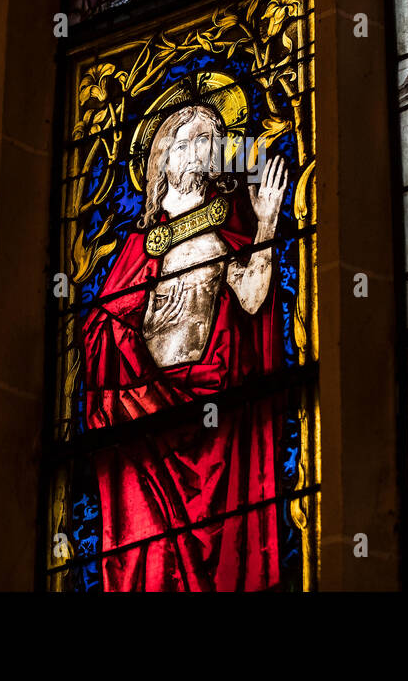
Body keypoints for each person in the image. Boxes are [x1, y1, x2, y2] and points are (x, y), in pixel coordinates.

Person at [80, 103, 289, 590]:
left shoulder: (228, 225)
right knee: (150, 556)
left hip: (214, 407)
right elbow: (101, 333)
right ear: (163, 158)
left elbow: (253, 299)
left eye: (210, 139)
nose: (201, 150)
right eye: (189, 140)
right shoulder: (139, 243)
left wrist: (266, 223)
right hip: (144, 416)